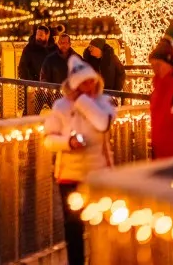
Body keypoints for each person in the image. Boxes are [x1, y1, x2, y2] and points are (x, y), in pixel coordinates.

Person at [44, 59, 117, 265]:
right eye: (84, 83)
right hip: (70, 175)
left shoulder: (104, 103)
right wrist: (68, 142)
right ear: (75, 84)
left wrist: (82, 102)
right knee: (74, 226)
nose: (90, 86)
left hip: (98, 174)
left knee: (100, 224)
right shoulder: (60, 107)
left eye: (92, 81)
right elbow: (49, 140)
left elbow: (102, 123)